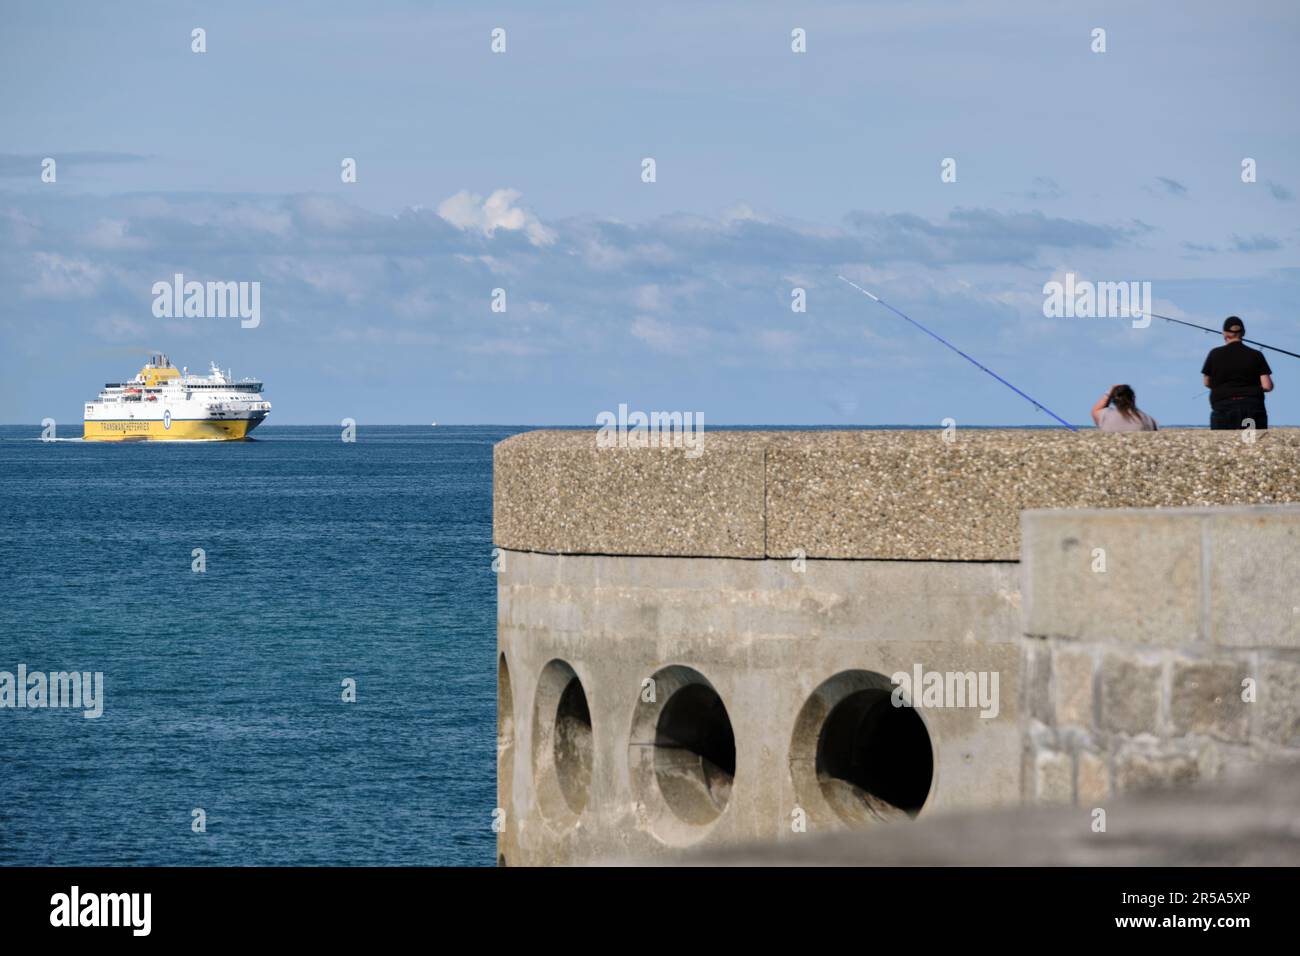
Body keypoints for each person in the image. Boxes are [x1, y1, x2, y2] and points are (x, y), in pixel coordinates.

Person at [1201, 317, 1273, 430]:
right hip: (1253, 406)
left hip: (1223, 407)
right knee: (1252, 445)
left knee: (1224, 446)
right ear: (1243, 333)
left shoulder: (1214, 354)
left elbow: (1206, 382)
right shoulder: (1256, 355)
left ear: (1224, 334)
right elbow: (1267, 386)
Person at [1091, 384, 1157, 431]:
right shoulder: (1148, 419)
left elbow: (1095, 410)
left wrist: (1109, 393)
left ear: (1113, 400)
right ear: (1133, 398)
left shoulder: (1106, 415)